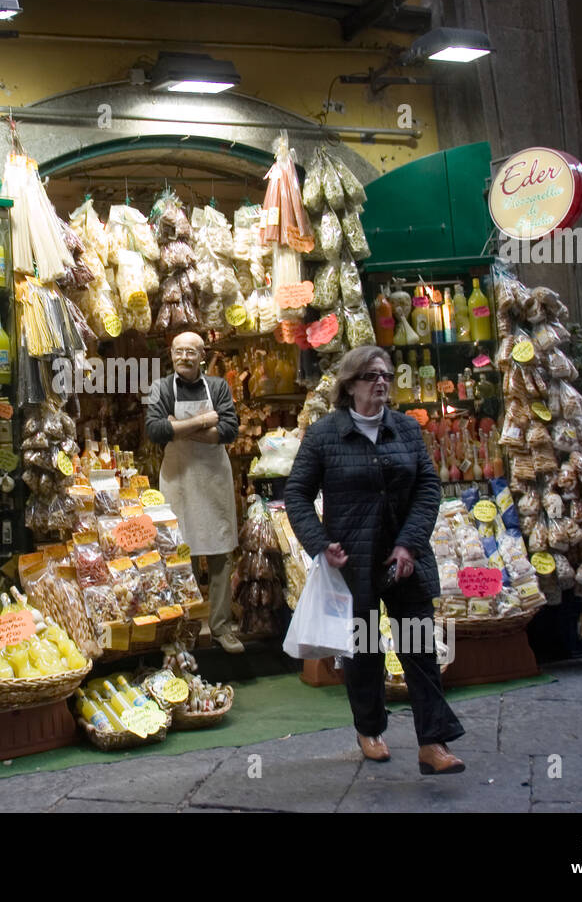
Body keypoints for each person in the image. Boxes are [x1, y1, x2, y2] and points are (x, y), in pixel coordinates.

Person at [283, 345, 465, 775]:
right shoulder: (325, 434)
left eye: (385, 375)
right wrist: (319, 543)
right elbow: (297, 495)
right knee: (366, 652)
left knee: (419, 648)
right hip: (354, 563)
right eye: (371, 376)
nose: (381, 382)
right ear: (350, 386)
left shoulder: (405, 429)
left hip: (405, 560)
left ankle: (433, 743)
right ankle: (369, 728)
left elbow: (428, 489)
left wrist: (409, 543)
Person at [144, 331, 243, 653]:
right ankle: (179, 629)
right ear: (171, 354)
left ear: (202, 356)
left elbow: (228, 430)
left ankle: (220, 627)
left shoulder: (217, 387)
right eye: (178, 351)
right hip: (178, 480)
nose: (184, 357)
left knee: (219, 554)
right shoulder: (160, 388)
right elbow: (155, 430)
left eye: (191, 352)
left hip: (212, 478)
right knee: (177, 555)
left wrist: (179, 427)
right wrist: (202, 421)